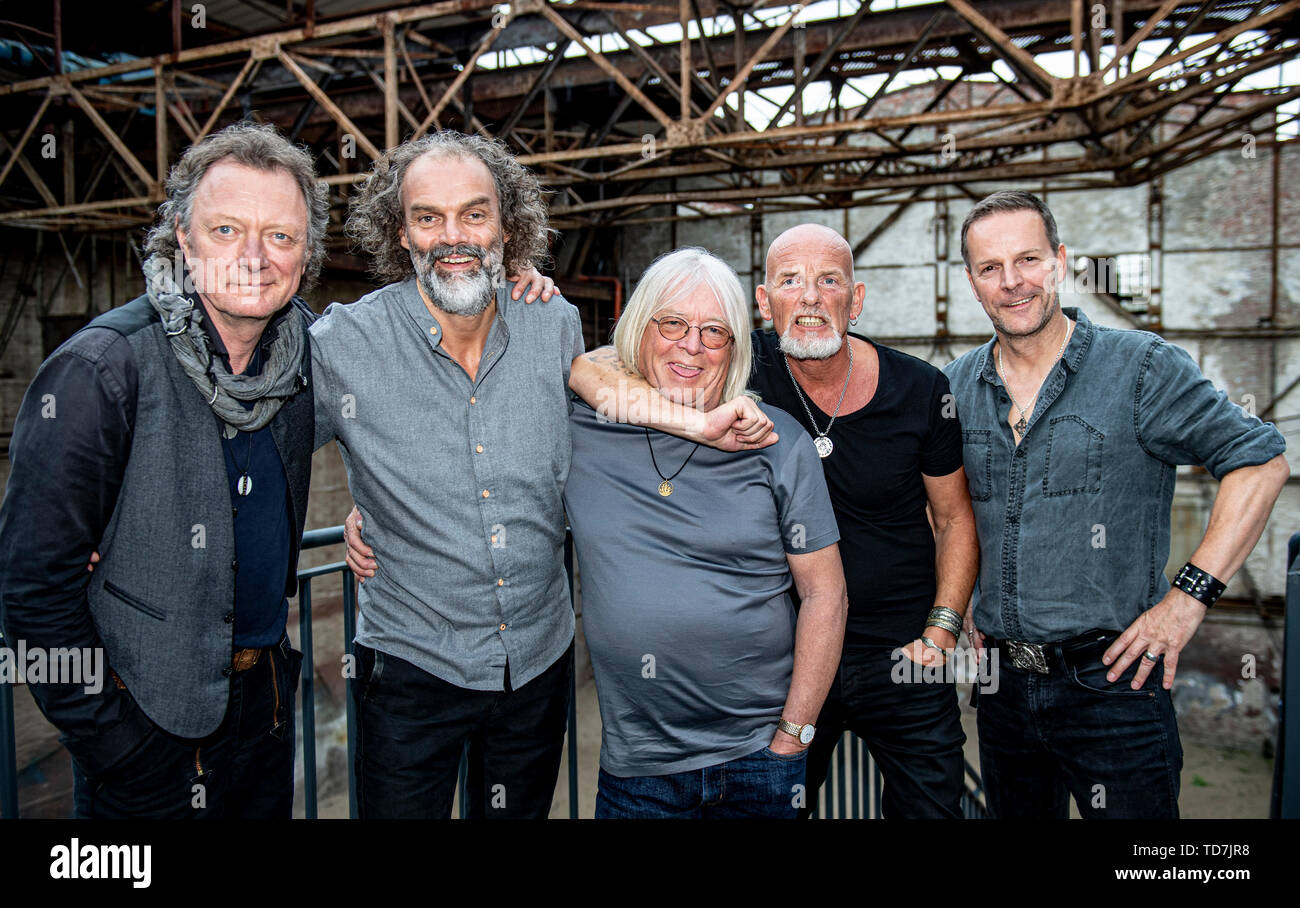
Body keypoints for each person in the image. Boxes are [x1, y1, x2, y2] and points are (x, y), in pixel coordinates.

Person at [316, 133, 777, 819]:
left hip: (535, 660)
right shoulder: (344, 344)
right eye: (428, 217)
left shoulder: (551, 322)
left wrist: (701, 423)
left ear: (508, 225)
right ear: (399, 230)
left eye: (474, 214)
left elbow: (612, 385)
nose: (453, 236)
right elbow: (261, 447)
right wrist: (368, 511)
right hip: (412, 664)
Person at [0, 123, 324, 818]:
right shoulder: (102, 370)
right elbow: (32, 584)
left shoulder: (304, 363)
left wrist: (511, 282)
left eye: (280, 236)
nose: (254, 257)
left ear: (305, 252)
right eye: (227, 229)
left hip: (262, 716)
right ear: (183, 238)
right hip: (146, 733)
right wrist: (112, 738)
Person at [944, 189, 1289, 818]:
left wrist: (1187, 600)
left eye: (1028, 259)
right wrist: (957, 597)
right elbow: (946, 510)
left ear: (1060, 260)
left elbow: (1261, 460)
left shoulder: (1141, 368)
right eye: (990, 268)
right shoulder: (955, 386)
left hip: (1114, 684)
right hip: (1001, 688)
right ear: (971, 281)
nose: (1012, 282)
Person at [566, 248, 847, 818]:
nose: (690, 346)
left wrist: (794, 737)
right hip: (637, 768)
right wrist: (371, 513)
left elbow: (827, 594)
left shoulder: (776, 441)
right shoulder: (579, 429)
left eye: (713, 332)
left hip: (761, 761)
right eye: (671, 323)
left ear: (737, 349)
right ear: (639, 328)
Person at [750, 223, 980, 819]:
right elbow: (611, 367)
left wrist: (943, 631)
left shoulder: (921, 389)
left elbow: (954, 519)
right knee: (774, 809)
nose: (808, 298)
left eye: (829, 281)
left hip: (905, 656)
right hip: (783, 659)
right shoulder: (737, 370)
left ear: (855, 299)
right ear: (763, 299)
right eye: (790, 281)